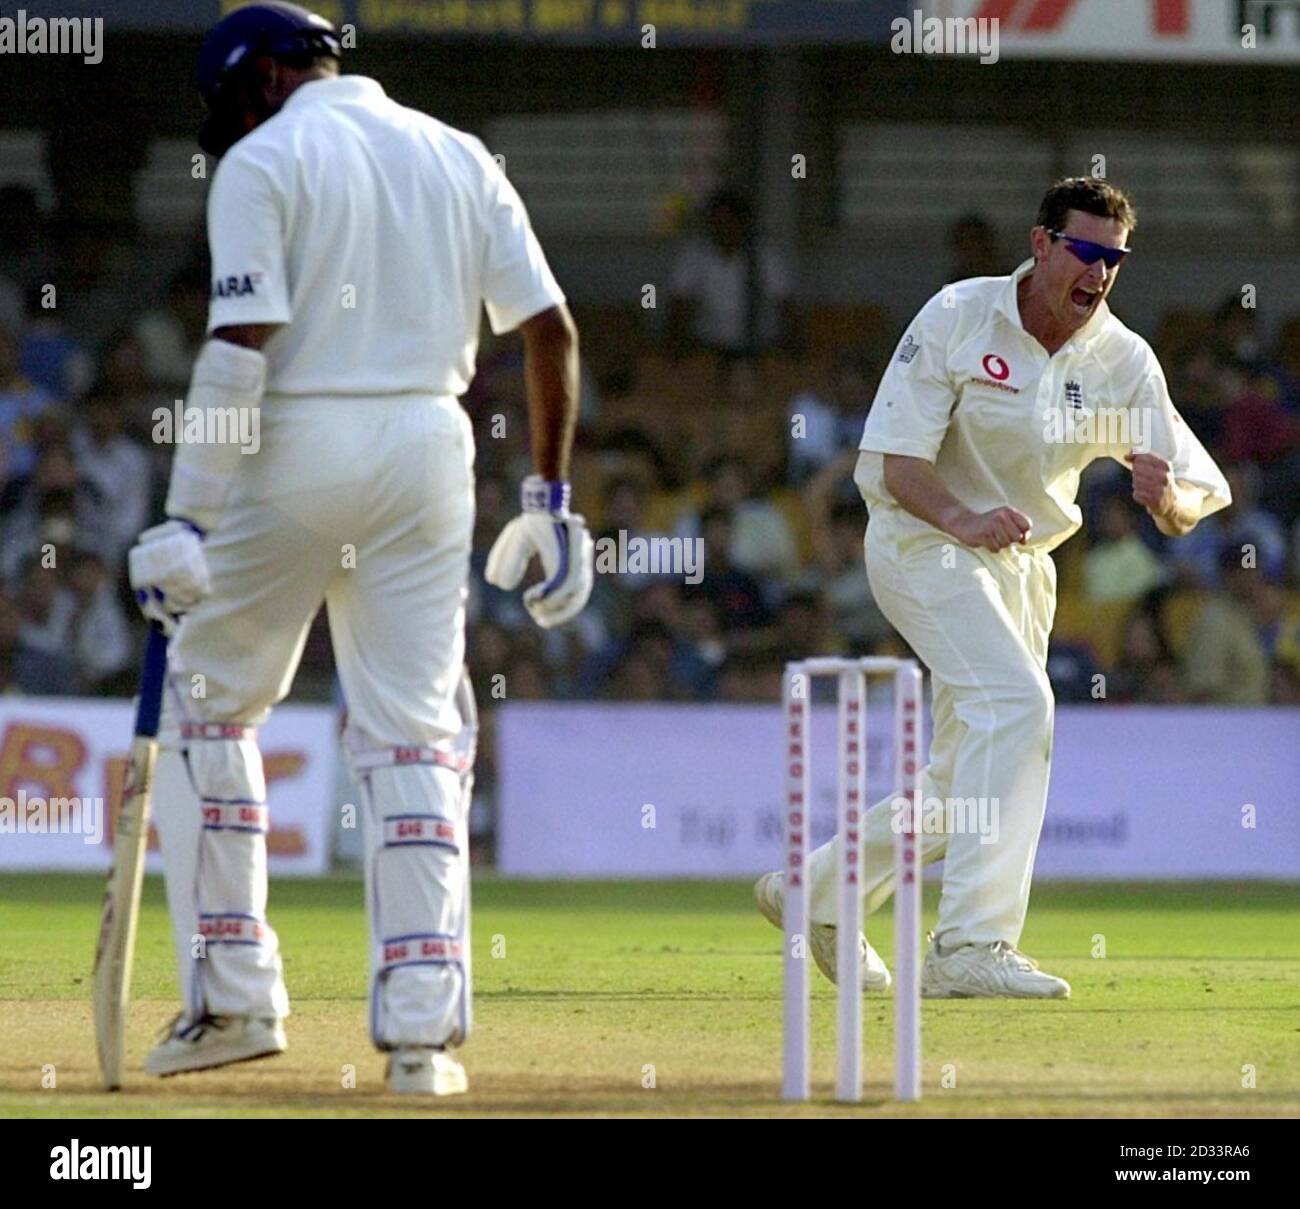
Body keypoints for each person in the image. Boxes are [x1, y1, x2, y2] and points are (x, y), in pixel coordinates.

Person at [126, 3, 593, 1096]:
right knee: (418, 734)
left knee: (204, 704)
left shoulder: (263, 159)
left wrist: (189, 515)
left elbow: (240, 349)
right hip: (430, 450)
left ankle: (232, 998)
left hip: (297, 440)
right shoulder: (458, 153)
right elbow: (550, 331)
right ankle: (421, 1045)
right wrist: (552, 498)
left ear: (265, 81)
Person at [756, 177, 1230, 998]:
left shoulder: (1122, 359)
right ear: (1042, 243)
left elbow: (1188, 499)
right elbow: (898, 464)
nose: (1102, 273)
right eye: (1086, 252)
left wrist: (1168, 501)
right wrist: (965, 520)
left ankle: (819, 891)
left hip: (1023, 567)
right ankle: (968, 944)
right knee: (1021, 707)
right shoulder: (958, 315)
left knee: (968, 773)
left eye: (1115, 259)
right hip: (922, 540)